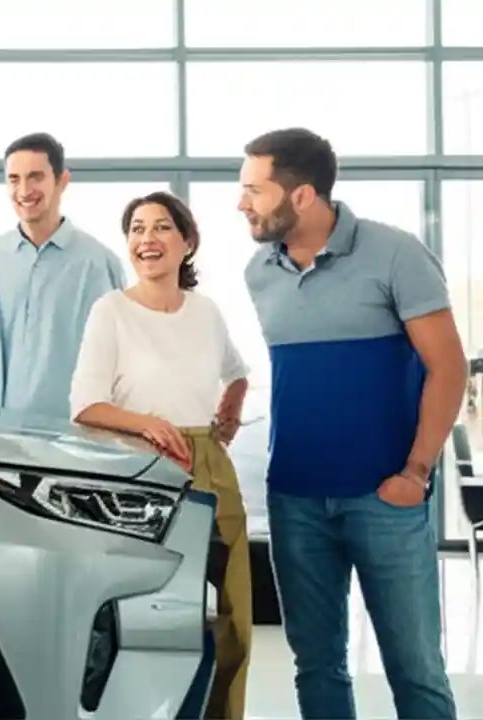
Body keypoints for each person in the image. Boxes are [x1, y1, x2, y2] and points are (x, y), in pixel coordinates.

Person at [239, 128, 465, 720]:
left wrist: (416, 472)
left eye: (254, 191)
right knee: (316, 666)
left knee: (414, 669)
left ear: (303, 195)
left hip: (385, 498)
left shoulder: (394, 252)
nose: (243, 204)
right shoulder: (259, 270)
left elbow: (449, 368)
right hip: (295, 499)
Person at [69, 191, 252, 720]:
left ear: (187, 242)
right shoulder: (111, 312)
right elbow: (85, 404)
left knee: (236, 619)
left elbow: (238, 371)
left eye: (161, 227)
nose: (147, 239)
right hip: (141, 469)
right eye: (136, 229)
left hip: (210, 462)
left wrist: (231, 410)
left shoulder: (207, 312)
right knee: (151, 621)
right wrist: (148, 425)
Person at [0, 132, 126, 419]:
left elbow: (120, 364)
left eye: (35, 177)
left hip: (81, 443)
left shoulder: (100, 264)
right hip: (2, 442)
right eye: (14, 179)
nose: (24, 190)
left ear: (62, 181)